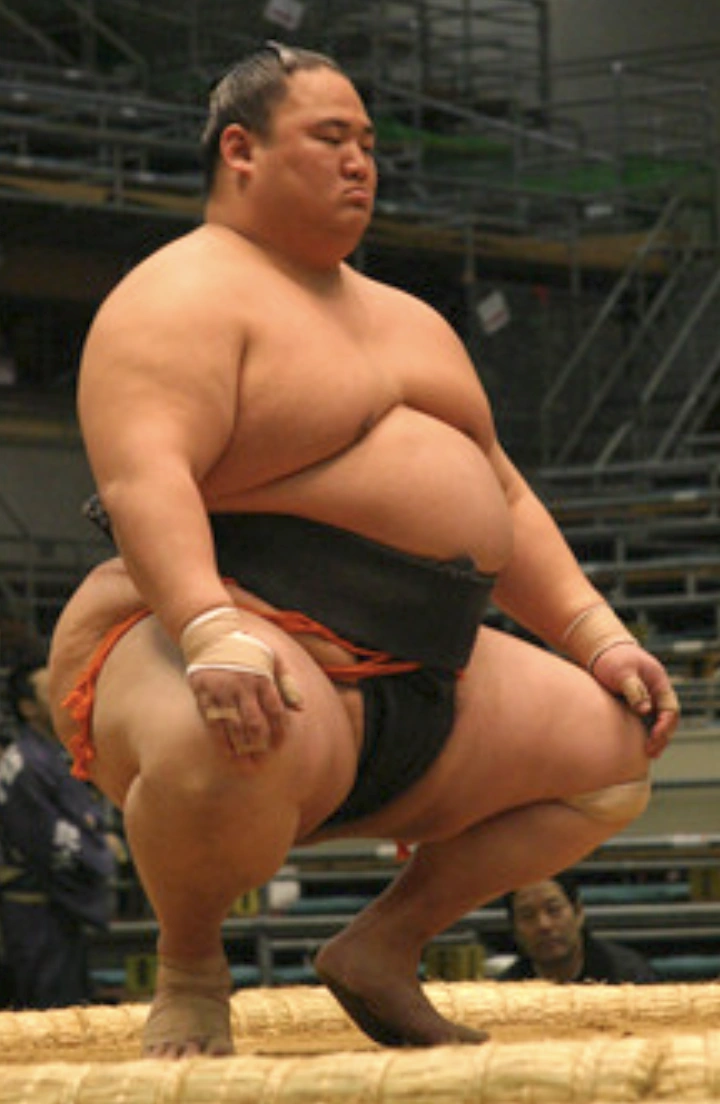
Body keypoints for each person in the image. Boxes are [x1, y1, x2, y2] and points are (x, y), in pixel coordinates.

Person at [46, 42, 679, 1057]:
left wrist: (595, 633)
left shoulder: (410, 320)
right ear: (241, 151)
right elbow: (145, 479)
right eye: (331, 138)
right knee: (220, 739)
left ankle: (384, 945)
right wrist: (208, 626)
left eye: (370, 144)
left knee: (614, 754)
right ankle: (192, 967)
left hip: (429, 660)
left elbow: (503, 491)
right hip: (244, 626)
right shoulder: (179, 297)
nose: (360, 163)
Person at [0, 663, 117, 1008]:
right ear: (28, 708)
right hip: (37, 912)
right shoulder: (27, 763)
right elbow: (47, 840)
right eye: (50, 692)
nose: (65, 698)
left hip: (54, 910)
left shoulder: (48, 755)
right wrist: (100, 850)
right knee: (49, 1010)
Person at [498, 872, 659, 984]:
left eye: (554, 910)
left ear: (578, 913)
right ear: (514, 929)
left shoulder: (629, 977)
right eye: (527, 915)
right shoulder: (508, 990)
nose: (544, 925)